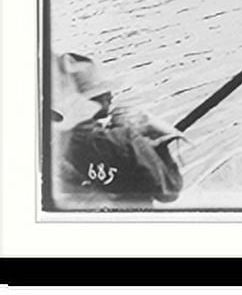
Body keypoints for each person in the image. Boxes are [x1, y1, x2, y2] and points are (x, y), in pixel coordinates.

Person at [51, 52, 184, 209]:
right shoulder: (124, 139)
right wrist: (159, 146)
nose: (110, 96)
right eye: (102, 93)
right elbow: (168, 192)